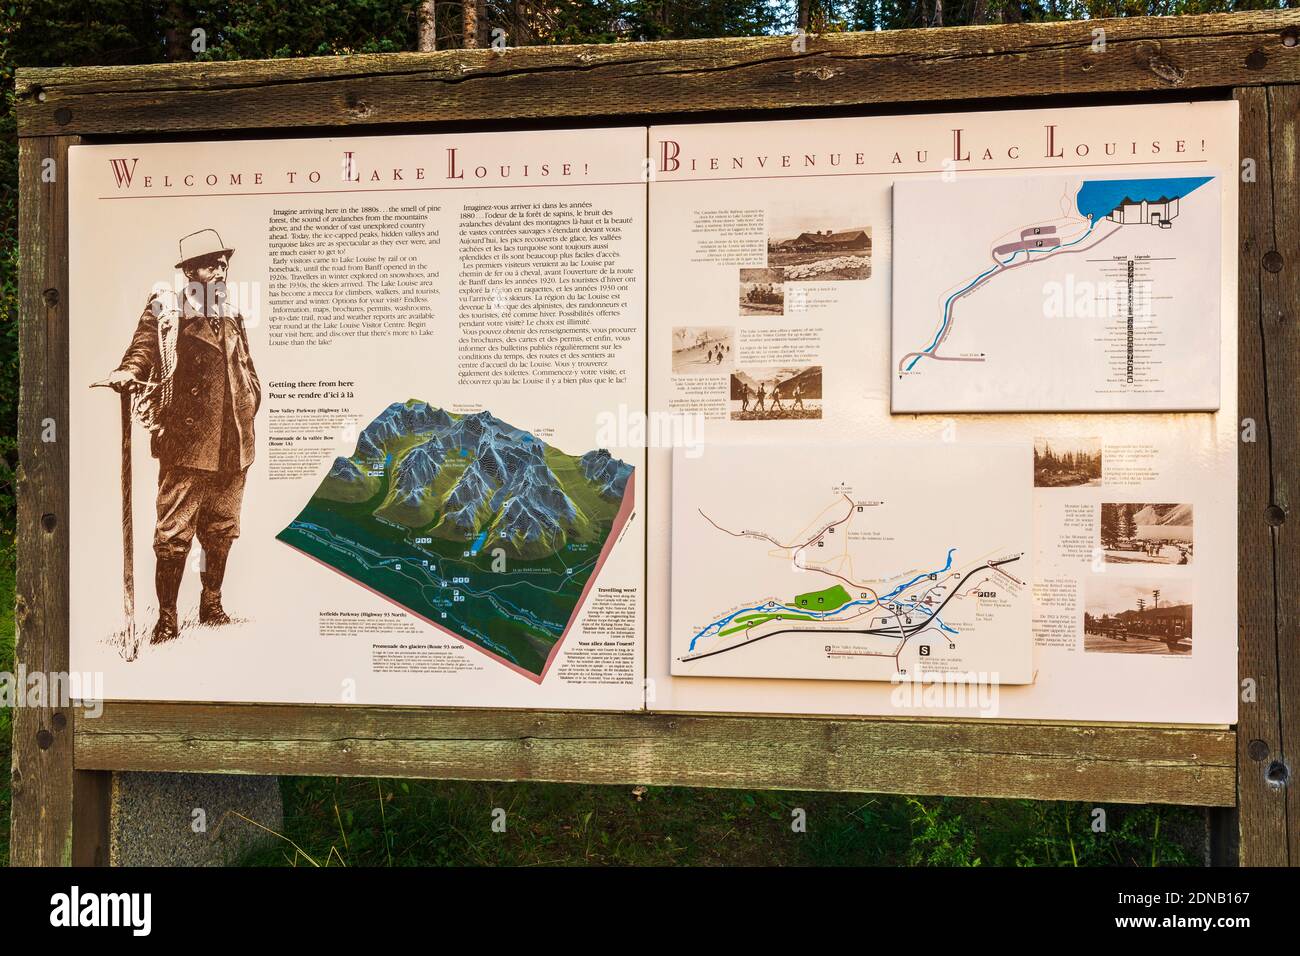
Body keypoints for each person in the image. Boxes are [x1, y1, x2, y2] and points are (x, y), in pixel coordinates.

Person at [107, 228, 260, 645]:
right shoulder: (166, 311)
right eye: (213, 263)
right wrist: (130, 372)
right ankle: (168, 618)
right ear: (192, 271)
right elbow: (142, 349)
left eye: (224, 261)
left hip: (233, 439)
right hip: (188, 442)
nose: (223, 269)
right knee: (174, 534)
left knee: (223, 527)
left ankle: (212, 603)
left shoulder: (233, 314)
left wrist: (251, 398)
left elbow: (245, 365)